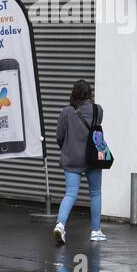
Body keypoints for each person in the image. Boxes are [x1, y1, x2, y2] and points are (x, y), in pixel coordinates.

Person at [53, 79, 105, 245]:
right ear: (90, 93)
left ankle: (60, 225)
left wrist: (67, 148)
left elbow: (59, 136)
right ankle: (96, 231)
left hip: (72, 158)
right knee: (95, 193)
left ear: (73, 92)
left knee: (70, 193)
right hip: (93, 157)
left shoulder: (66, 112)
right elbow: (96, 128)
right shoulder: (98, 110)